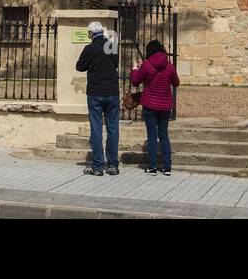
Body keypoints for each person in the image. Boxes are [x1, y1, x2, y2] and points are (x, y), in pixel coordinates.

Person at [75, 20, 120, 175]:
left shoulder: (90, 48)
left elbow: (80, 66)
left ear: (90, 34)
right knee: (113, 128)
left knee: (96, 129)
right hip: (112, 92)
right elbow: (115, 63)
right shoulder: (110, 46)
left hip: (95, 92)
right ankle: (113, 165)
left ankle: (98, 166)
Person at [130, 39, 179, 175]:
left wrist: (135, 68)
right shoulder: (169, 65)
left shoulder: (146, 65)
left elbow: (135, 82)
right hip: (165, 105)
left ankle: (152, 166)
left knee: (152, 135)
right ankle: (167, 167)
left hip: (150, 104)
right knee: (164, 135)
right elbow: (176, 83)